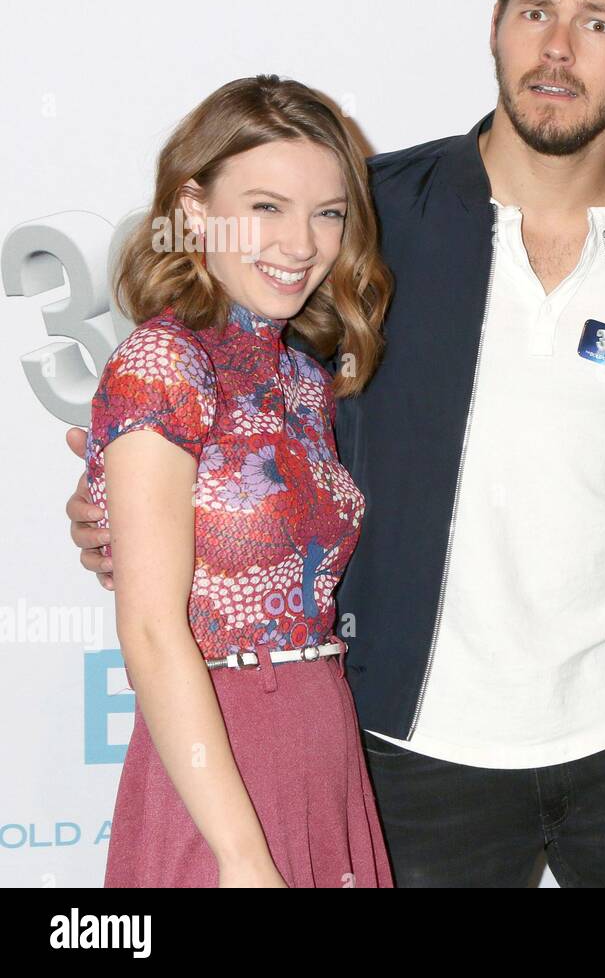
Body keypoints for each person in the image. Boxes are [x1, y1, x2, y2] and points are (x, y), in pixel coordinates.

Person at [68, 0, 605, 887]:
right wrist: (108, 499)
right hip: (409, 748)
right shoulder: (370, 217)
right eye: (534, 13)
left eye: (597, 24)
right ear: (496, 27)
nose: (557, 48)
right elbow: (207, 383)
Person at [83, 75, 394, 887]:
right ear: (194, 208)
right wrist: (242, 856)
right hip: (217, 770)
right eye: (266, 206)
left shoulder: (303, 378)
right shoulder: (162, 364)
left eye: (328, 212)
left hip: (324, 743)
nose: (301, 243)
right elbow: (152, 631)